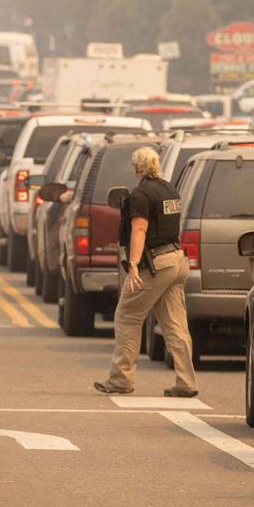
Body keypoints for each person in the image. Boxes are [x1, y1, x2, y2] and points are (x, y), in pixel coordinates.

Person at [93, 147, 198, 397]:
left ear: (137, 168)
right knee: (175, 325)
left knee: (127, 316)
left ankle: (120, 380)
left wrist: (132, 266)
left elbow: (139, 231)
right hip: (176, 260)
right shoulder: (169, 189)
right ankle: (187, 382)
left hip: (155, 263)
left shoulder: (141, 194)